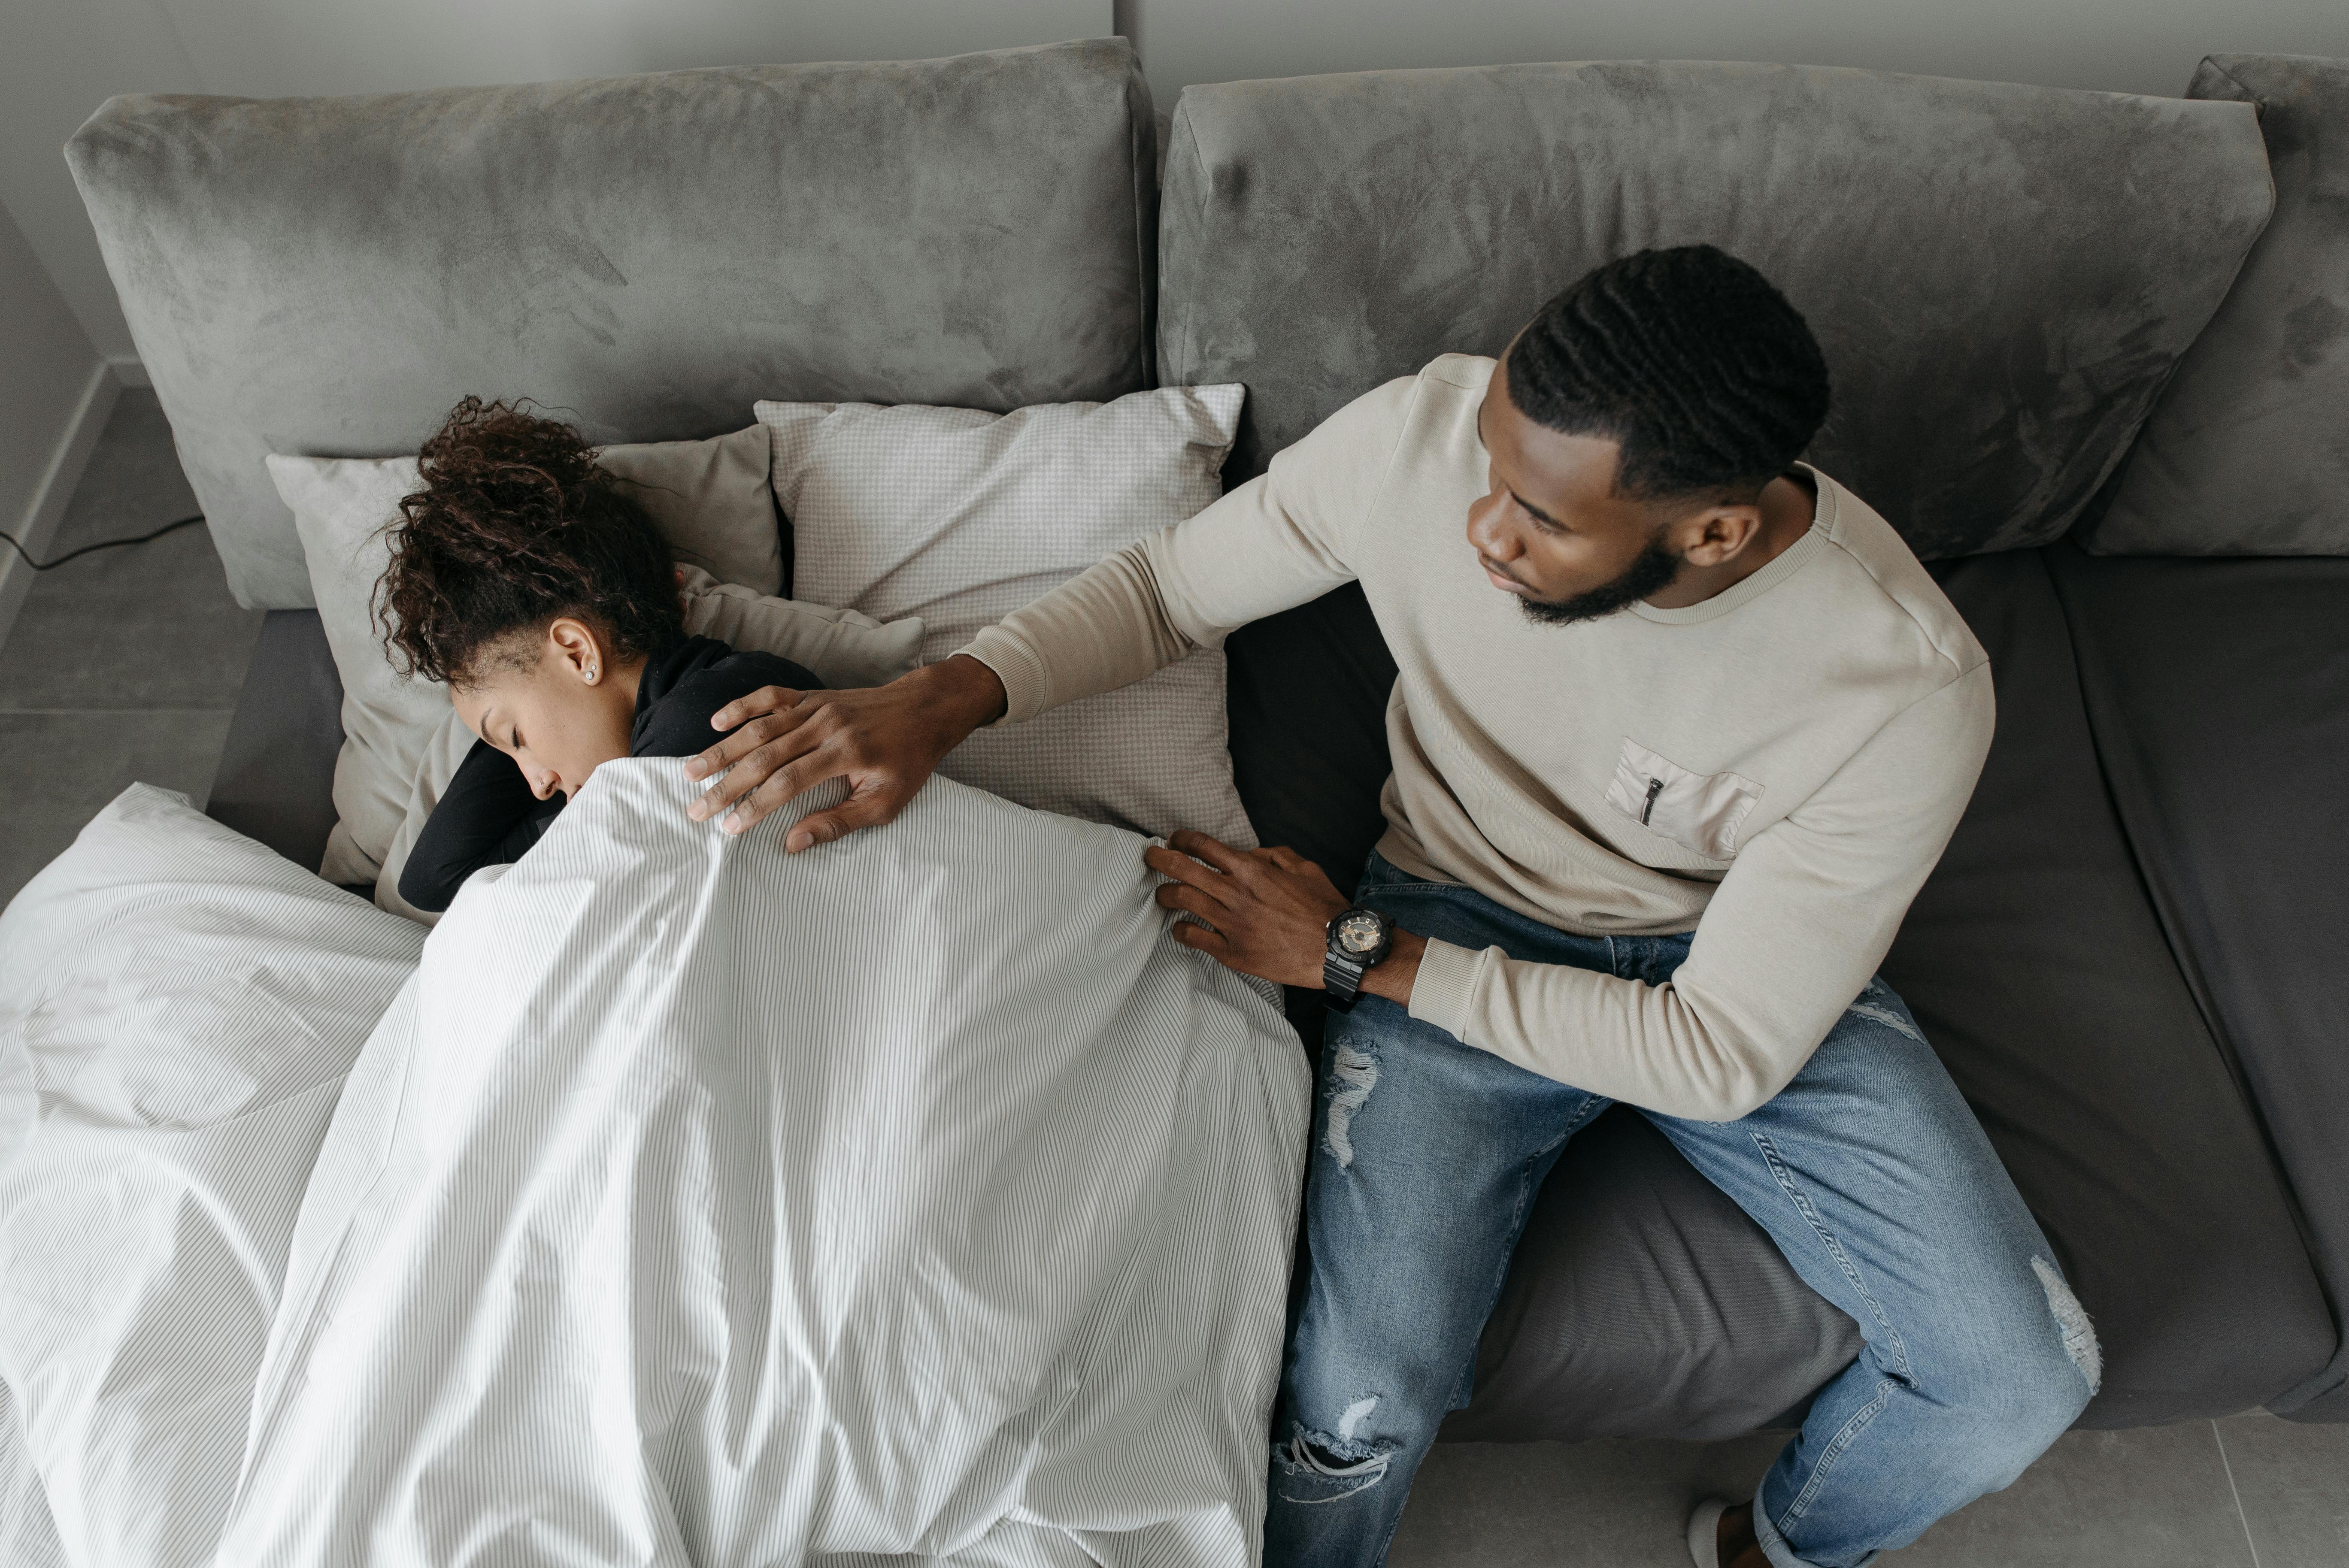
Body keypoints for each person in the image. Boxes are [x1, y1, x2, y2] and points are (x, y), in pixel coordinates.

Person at [677, 246, 2100, 1568]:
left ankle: (1780, 1546)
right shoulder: (1427, 432)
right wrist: (942, 697)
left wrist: (1356, 956)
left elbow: (1719, 1052)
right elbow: (1175, 590)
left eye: (1542, 520)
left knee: (2020, 1377)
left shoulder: (1900, 688)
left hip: (1712, 968)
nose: (1480, 529)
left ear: (1715, 532)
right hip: (1459, 900)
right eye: (1492, 468)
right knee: (1356, 1398)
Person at [376, 397, 822, 913]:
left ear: (576, 650)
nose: (538, 785)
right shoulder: (640, 749)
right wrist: (501, 722)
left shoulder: (715, 713)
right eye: (511, 754)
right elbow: (431, 881)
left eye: (516, 737)